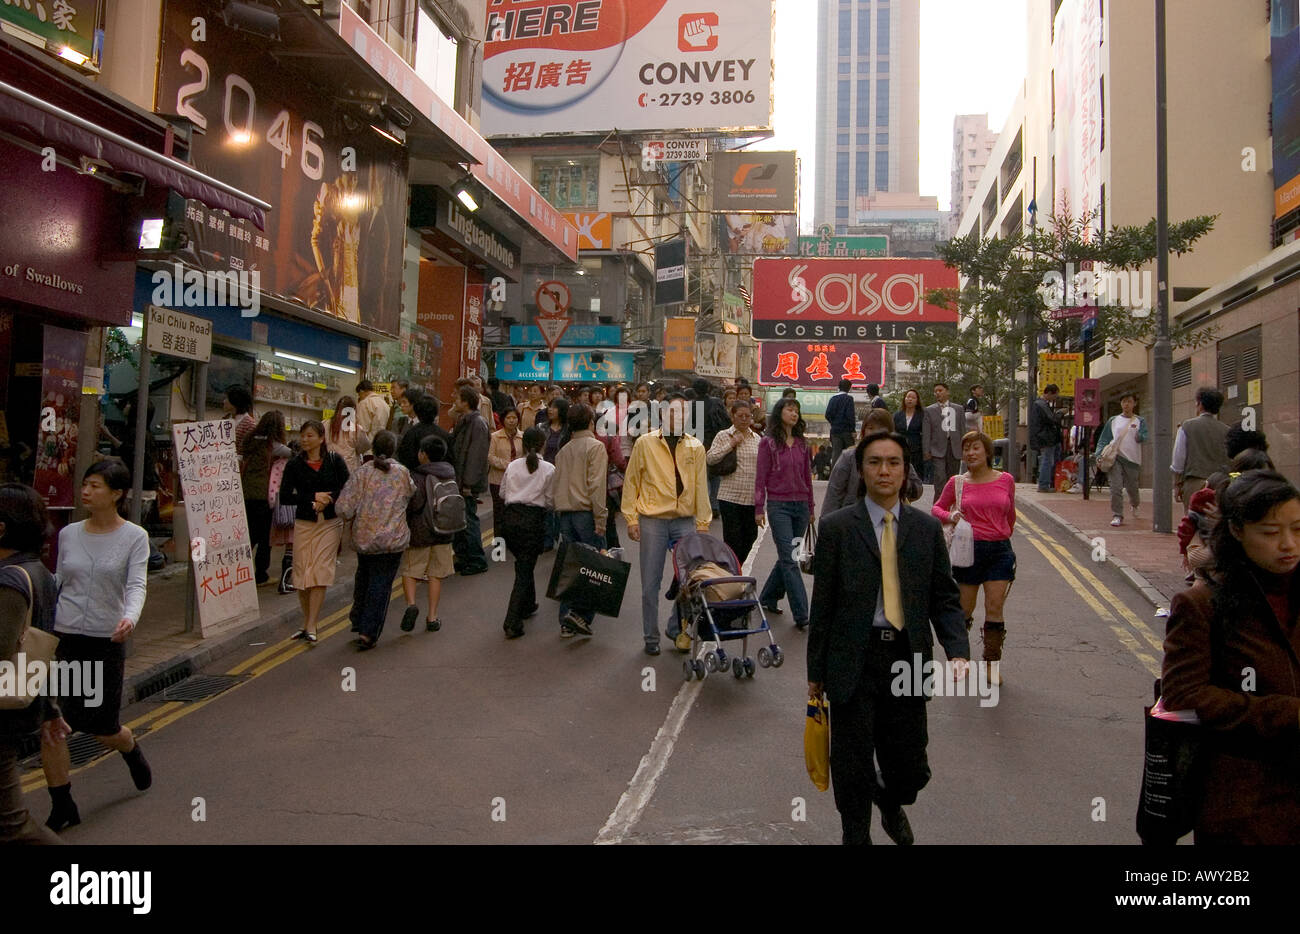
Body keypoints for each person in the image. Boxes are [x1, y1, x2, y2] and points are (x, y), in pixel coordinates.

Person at [809, 431, 969, 845]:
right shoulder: (837, 529)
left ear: (905, 471)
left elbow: (944, 597)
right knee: (852, 765)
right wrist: (816, 673)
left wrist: (958, 652)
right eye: (875, 462)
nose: (885, 470)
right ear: (861, 470)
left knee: (911, 770)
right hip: (853, 660)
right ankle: (855, 835)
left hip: (907, 659)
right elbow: (822, 605)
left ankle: (891, 799)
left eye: (893, 462)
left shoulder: (925, 529)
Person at [1161, 470, 1300, 844]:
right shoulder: (1201, 606)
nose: (1288, 544)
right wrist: (1286, 713)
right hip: (1245, 804)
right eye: (1270, 533)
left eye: (1298, 529)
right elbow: (1184, 695)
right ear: (1237, 532)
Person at [42, 460, 152, 832]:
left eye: (96, 486)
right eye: (84, 484)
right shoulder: (69, 533)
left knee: (101, 727)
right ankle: (62, 804)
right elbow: (59, 579)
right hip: (66, 637)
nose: (86, 492)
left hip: (105, 640)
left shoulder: (135, 537)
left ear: (117, 494)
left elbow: (136, 585)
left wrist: (130, 618)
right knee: (55, 723)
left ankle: (128, 745)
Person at [623, 393, 712, 655]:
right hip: (653, 520)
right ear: (662, 415)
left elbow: (700, 488)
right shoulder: (645, 443)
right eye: (673, 412)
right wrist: (631, 518)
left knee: (688, 580)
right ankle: (651, 638)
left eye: (683, 413)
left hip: (684, 520)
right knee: (651, 583)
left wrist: (703, 522)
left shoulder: (696, 447)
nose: (678, 417)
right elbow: (632, 482)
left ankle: (677, 628)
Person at [0, 484, 63, 843]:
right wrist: (51, 708)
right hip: (20, 708)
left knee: (12, 825)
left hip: (3, 716)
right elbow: (44, 646)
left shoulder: (10, 579)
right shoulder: (37, 570)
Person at [932, 431, 1017, 684]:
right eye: (966, 448)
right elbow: (937, 507)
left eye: (976, 448)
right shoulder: (957, 481)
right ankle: (959, 658)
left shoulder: (1006, 480)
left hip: (999, 551)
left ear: (987, 452)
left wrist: (1001, 533)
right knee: (964, 610)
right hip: (967, 551)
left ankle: (991, 664)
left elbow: (1010, 515)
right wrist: (951, 516)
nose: (970, 453)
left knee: (994, 607)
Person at [334, 431, 413, 650]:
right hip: (392, 539)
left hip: (364, 538)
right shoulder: (402, 473)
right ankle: (368, 631)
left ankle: (358, 620)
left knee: (364, 578)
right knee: (381, 583)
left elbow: (343, 507)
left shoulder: (362, 473)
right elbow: (411, 496)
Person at [279, 421, 349, 643]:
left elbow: (348, 487)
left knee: (320, 571)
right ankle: (306, 622)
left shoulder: (334, 460)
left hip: (330, 523)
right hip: (304, 522)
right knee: (302, 573)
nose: (305, 439)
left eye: (309, 435)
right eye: (302, 435)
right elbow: (285, 496)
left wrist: (328, 498)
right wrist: (312, 498)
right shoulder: (294, 465)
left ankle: (311, 625)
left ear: (321, 438)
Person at [755, 397, 816, 632]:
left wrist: (810, 507)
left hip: (800, 506)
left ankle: (768, 598)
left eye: (797, 410)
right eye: (790, 409)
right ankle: (802, 614)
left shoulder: (802, 443)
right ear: (780, 412)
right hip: (779, 506)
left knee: (788, 556)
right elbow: (761, 477)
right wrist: (759, 508)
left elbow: (807, 477)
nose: (794, 413)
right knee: (791, 560)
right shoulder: (768, 443)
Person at [552, 403, 608, 637]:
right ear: (590, 423)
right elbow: (596, 485)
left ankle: (566, 618)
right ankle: (581, 616)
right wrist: (601, 517)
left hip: (565, 513)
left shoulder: (563, 450)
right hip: (586, 512)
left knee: (571, 566)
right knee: (592, 568)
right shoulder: (595, 447)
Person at [499, 427, 555, 639]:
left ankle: (529, 604)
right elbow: (550, 500)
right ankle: (512, 621)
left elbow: (504, 492)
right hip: (532, 520)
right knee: (524, 568)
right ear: (543, 444)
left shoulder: (513, 465)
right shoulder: (549, 468)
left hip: (511, 518)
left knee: (523, 563)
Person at [401, 435, 457, 635]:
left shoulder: (417, 476)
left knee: (411, 570)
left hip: (421, 531)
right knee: (436, 575)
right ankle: (432, 617)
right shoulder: (450, 474)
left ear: (423, 455)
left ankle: (411, 604)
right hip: (444, 531)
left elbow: (414, 504)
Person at [825, 409, 924, 514]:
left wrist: (901, 483)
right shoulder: (849, 457)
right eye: (870, 428)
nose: (875, 433)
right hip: (854, 522)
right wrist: (828, 526)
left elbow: (917, 489)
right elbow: (833, 495)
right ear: (864, 431)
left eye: (881, 428)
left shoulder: (898, 456)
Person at [241, 411, 292, 586]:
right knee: (264, 538)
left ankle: (240, 570)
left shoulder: (250, 440)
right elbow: (292, 454)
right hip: (264, 495)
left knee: (249, 535)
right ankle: (261, 574)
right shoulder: (275, 446)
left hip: (246, 493)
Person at [708, 399, 761, 565]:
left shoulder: (757, 438)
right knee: (732, 540)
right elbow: (710, 458)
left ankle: (729, 567)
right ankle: (731, 573)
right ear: (732, 417)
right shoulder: (724, 435)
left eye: (748, 416)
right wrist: (731, 444)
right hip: (729, 496)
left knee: (751, 536)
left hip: (751, 498)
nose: (744, 419)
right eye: (740, 416)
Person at [450, 385, 490, 576]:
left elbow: (476, 456)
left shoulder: (477, 423)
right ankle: (464, 557)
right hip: (459, 480)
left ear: (465, 401)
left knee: (469, 520)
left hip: (466, 482)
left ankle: (476, 559)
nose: (454, 401)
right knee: (460, 521)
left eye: (457, 398)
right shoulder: (464, 420)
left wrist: (468, 483)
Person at [1172, 387, 1231, 512]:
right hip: (1221, 484)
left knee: (1194, 523)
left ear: (1200, 404)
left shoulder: (1186, 426)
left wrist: (1177, 484)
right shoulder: (1227, 430)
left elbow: (1178, 460)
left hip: (1194, 483)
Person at [1095, 392, 1149, 526]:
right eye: (1124, 401)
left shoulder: (1139, 421)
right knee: (1115, 487)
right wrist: (1099, 453)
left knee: (1132, 488)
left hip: (1132, 460)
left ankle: (1135, 504)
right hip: (1115, 458)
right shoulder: (1113, 420)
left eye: (1129, 401)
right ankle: (1117, 515)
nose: (1126, 404)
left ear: (1134, 404)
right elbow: (1104, 438)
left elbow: (1144, 436)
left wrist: (1140, 436)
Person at [695, 378, 731, 520]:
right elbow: (725, 421)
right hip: (713, 441)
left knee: (701, 475)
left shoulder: (691, 405)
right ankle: (714, 505)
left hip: (696, 443)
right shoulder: (716, 403)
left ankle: (703, 506)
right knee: (714, 475)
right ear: (709, 389)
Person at [924, 382, 966, 499]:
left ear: (947, 392)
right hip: (937, 449)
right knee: (940, 477)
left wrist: (965, 449)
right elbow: (927, 432)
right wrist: (926, 450)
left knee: (953, 478)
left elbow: (962, 430)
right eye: (935, 391)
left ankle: (951, 504)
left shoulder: (958, 409)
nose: (937, 393)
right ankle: (938, 504)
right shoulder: (929, 410)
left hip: (955, 448)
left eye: (940, 390)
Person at [397, 391, 451, 473]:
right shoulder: (445, 435)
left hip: (416, 478)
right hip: (439, 478)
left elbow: (404, 458)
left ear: (417, 411)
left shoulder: (411, 433)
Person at [596, 411, 627, 550]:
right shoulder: (608, 439)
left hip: (585, 487)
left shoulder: (574, 439)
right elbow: (620, 461)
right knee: (608, 522)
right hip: (605, 485)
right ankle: (612, 553)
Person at [488, 409, 523, 526]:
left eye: (514, 418)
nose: (511, 421)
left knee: (514, 513)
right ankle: (499, 542)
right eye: (508, 418)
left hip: (517, 480)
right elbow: (490, 457)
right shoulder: (495, 437)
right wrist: (508, 465)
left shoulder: (522, 437)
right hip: (497, 480)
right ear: (503, 420)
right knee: (499, 513)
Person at [1029, 383, 1064, 493]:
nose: (1055, 398)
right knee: (1047, 460)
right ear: (1049, 393)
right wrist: (1060, 413)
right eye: (1055, 396)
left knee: (1048, 459)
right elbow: (1051, 419)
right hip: (1046, 438)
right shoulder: (1041, 404)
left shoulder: (1040, 404)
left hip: (1044, 437)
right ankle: (1044, 484)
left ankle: (1048, 482)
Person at [327, 395, 371, 474]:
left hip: (329, 467)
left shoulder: (325, 424)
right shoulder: (356, 428)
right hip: (349, 469)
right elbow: (364, 447)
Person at [825, 378, 858, 466]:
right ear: (849, 388)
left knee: (836, 453)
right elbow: (850, 415)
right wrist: (852, 429)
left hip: (835, 431)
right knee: (850, 453)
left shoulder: (833, 399)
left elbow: (827, 414)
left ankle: (835, 476)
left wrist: (834, 423)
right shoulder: (848, 399)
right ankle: (849, 475)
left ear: (839, 387)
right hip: (846, 431)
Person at [894, 389, 925, 473]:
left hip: (916, 450)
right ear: (904, 399)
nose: (910, 399)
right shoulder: (897, 415)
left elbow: (925, 433)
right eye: (908, 397)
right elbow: (894, 431)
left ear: (917, 401)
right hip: (900, 448)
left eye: (913, 398)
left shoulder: (922, 415)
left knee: (915, 473)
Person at [223, 385, 256, 452]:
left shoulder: (249, 425)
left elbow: (244, 452)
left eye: (226, 398)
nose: (224, 401)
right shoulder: (226, 419)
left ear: (235, 401)